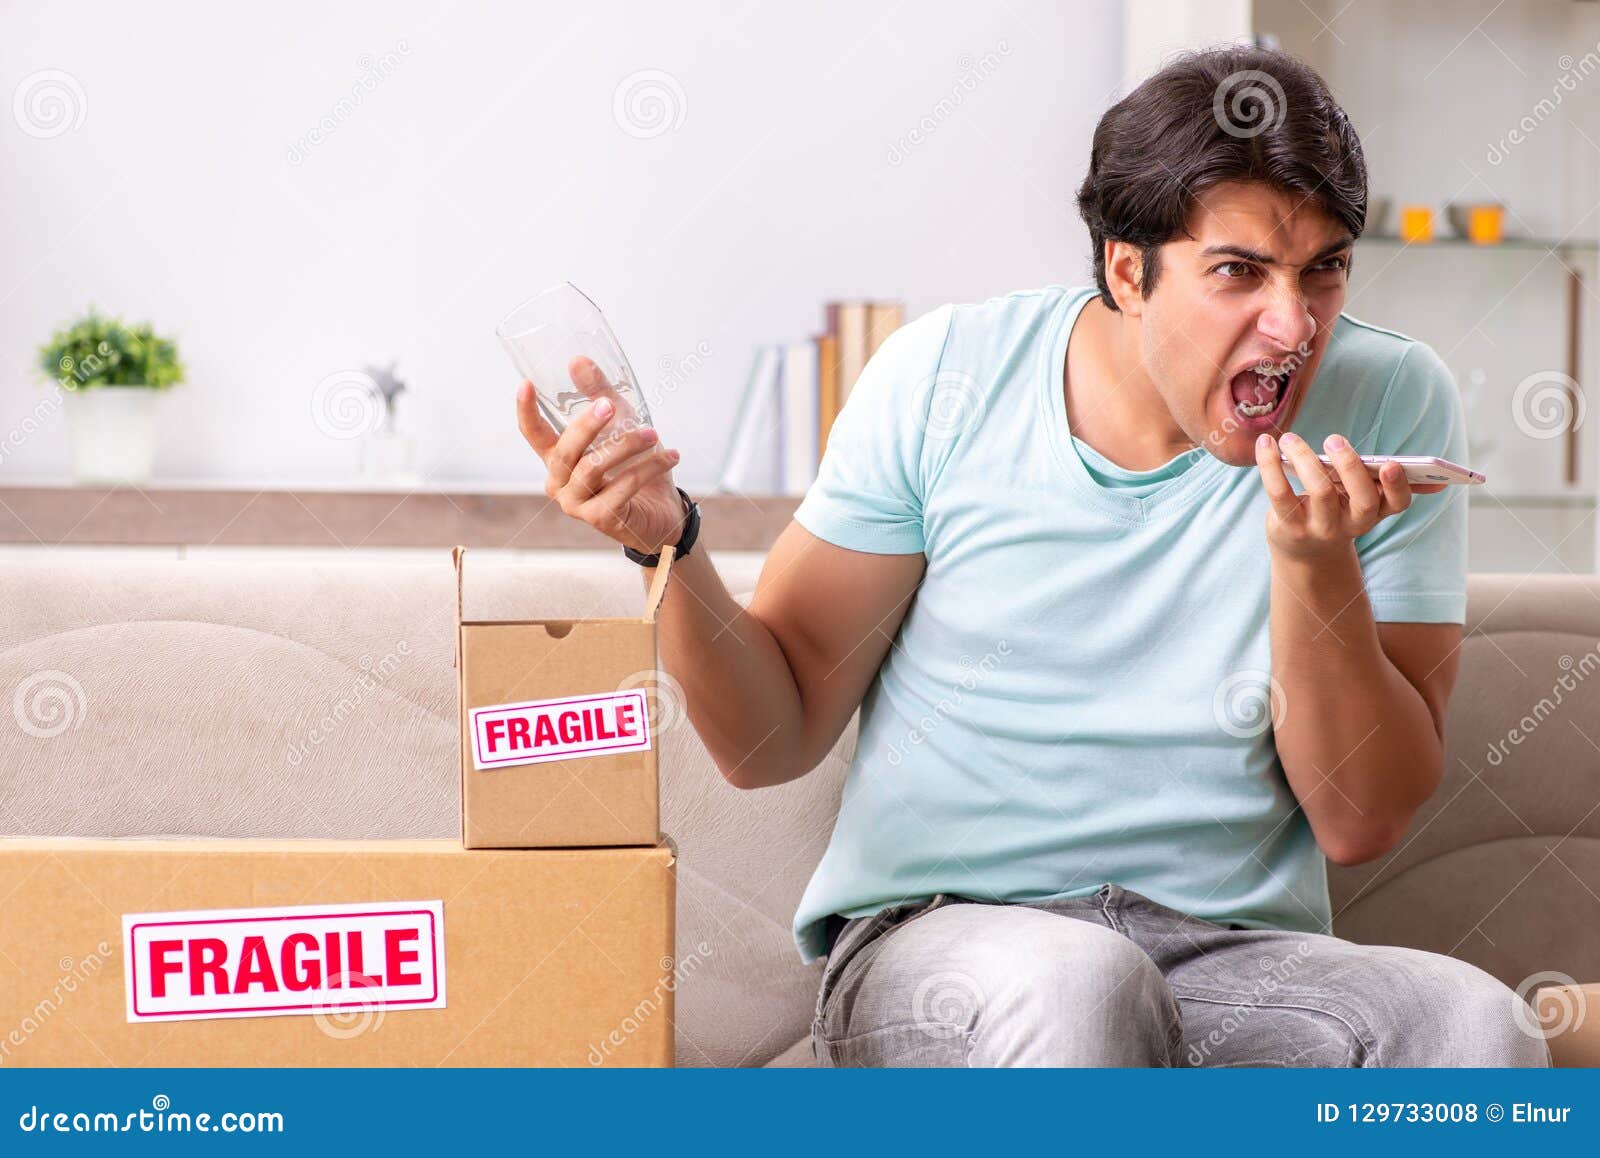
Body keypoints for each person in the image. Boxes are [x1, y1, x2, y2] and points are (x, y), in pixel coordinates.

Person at [515, 44, 1549, 1068]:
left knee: (1473, 1026)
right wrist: (671, 545)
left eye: (1322, 269)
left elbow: (1360, 819)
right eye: (1238, 272)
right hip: (940, 945)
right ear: (1127, 270)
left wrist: (1313, 567)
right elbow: (766, 739)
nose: (1292, 328)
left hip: (1235, 954)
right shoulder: (943, 378)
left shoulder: (1390, 398)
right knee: (1085, 985)